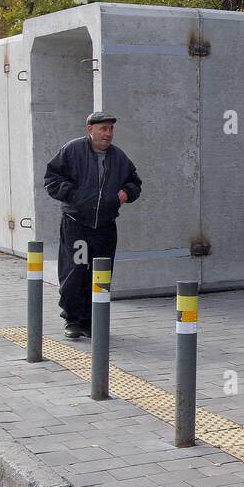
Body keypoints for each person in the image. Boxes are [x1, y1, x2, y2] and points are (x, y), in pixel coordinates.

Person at [42, 112, 143, 339]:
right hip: (77, 224)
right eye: (103, 129)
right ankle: (73, 319)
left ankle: (93, 321)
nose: (107, 134)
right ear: (90, 130)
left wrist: (127, 192)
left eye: (110, 129)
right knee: (76, 271)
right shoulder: (72, 150)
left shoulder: (118, 157)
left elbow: (134, 181)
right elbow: (52, 179)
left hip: (105, 226)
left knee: (101, 275)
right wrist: (74, 195)